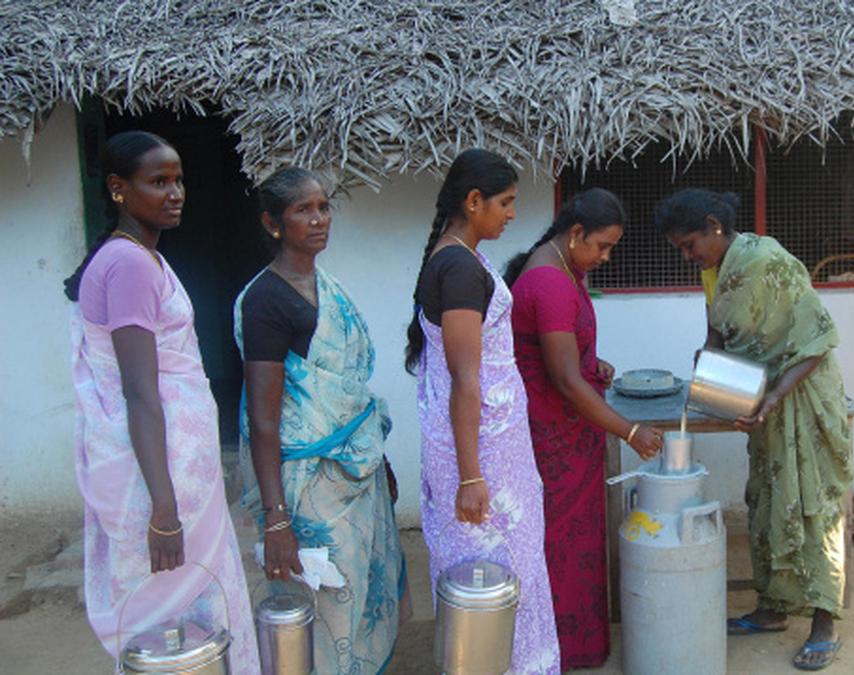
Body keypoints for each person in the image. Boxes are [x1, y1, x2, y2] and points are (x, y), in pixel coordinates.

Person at [63, 130, 260, 673]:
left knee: (189, 616)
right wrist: (165, 511)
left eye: (178, 180)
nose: (175, 193)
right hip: (160, 476)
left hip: (174, 468)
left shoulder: (140, 258)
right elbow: (139, 392)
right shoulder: (128, 264)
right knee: (179, 622)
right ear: (118, 188)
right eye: (158, 182)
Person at [655, 188, 853, 672]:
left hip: (800, 396)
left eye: (689, 245)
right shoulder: (715, 269)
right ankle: (772, 609)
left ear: (713, 225)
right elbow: (717, 330)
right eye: (680, 249)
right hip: (761, 399)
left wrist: (775, 396)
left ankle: (824, 623)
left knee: (813, 507)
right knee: (767, 502)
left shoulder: (767, 261)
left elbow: (817, 339)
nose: (687, 256)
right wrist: (708, 362)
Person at [235, 167, 410, 674]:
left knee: (361, 594)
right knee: (324, 602)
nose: (319, 219)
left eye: (324, 207)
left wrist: (377, 460)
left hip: (354, 469)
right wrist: (278, 519)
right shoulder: (265, 300)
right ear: (273, 223)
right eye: (303, 210)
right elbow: (264, 420)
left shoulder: (326, 287)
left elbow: (352, 395)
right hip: (307, 485)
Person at [406, 149, 561, 674]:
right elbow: (464, 378)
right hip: (480, 454)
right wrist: (471, 476)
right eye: (506, 202)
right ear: (474, 201)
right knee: (493, 574)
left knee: (509, 567)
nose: (512, 213)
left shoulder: (462, 259)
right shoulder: (458, 267)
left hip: (492, 446)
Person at [503, 188, 662, 669]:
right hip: (555, 439)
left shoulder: (558, 268)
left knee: (572, 542)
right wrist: (630, 431)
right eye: (603, 246)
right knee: (561, 545)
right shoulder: (550, 283)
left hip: (566, 433)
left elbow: (559, 355)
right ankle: (561, 649)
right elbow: (566, 382)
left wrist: (594, 363)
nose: (606, 256)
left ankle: (571, 646)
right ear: (575, 234)